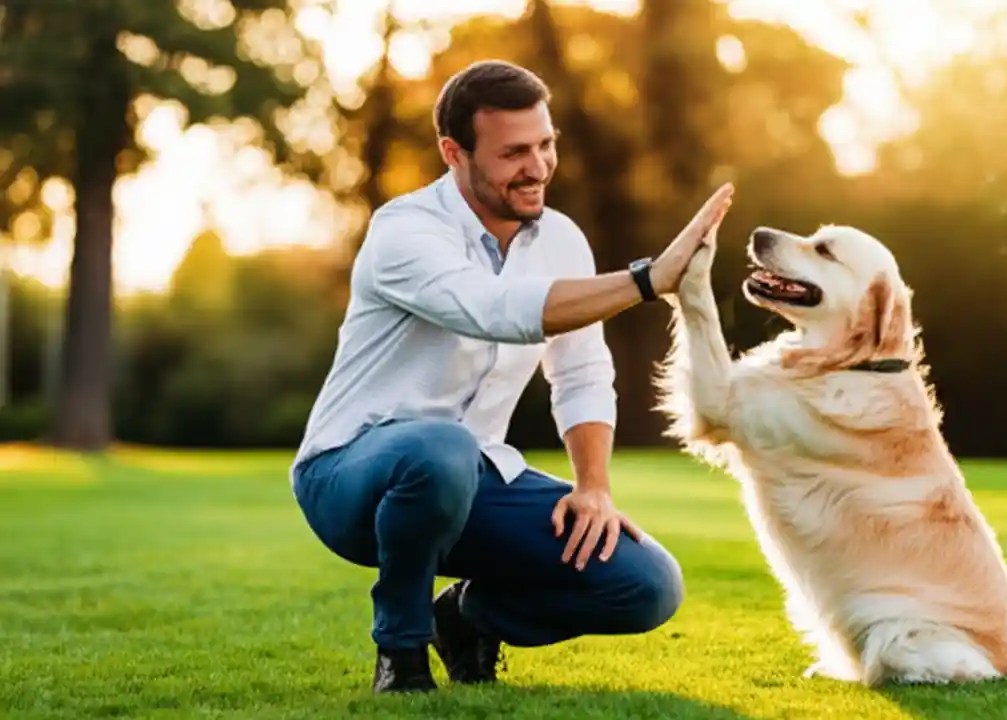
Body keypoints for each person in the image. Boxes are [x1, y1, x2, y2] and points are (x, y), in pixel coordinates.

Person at [290, 59, 734, 693]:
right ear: (454, 153)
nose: (538, 166)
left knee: (646, 586)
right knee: (440, 447)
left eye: (546, 144)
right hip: (348, 478)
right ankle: (403, 651)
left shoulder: (560, 238)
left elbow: (580, 372)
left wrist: (594, 489)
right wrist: (645, 281)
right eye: (514, 152)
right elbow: (496, 311)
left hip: (472, 478)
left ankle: (467, 618)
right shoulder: (405, 232)